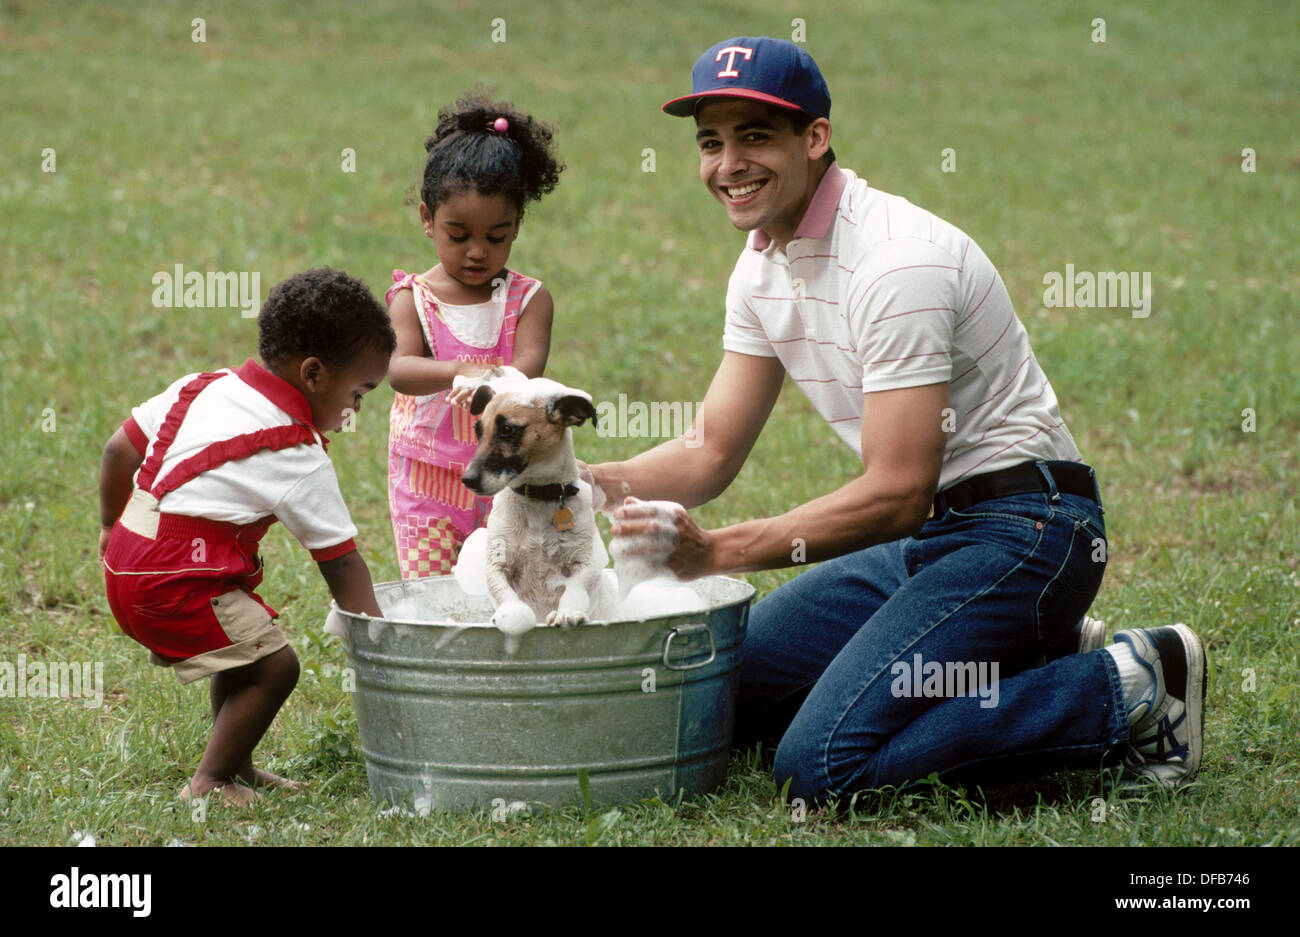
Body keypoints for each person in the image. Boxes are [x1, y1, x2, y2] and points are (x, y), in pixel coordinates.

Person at [589, 37, 1205, 801]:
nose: (728, 164)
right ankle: (1016, 654)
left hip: (1028, 528)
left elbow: (896, 491)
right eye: (710, 142)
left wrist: (718, 551)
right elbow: (711, 447)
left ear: (815, 138)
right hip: (931, 541)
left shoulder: (895, 263)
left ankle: (1129, 682)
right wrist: (574, 481)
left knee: (820, 766)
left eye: (755, 136)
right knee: (723, 698)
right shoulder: (761, 264)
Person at [99, 267, 394, 806]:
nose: (356, 410)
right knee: (275, 666)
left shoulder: (204, 385)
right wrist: (382, 640)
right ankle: (209, 782)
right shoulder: (295, 453)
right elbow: (342, 564)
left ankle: (236, 763)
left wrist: (107, 527)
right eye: (358, 393)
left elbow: (119, 451)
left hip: (127, 556)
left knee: (244, 645)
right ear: (313, 374)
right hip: (170, 578)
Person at [386, 92, 564, 578]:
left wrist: (494, 377)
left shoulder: (528, 300)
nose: (477, 253)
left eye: (496, 236)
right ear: (427, 220)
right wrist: (461, 370)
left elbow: (527, 371)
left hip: (508, 476)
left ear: (517, 226)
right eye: (458, 235)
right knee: (435, 591)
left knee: (511, 580)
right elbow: (399, 370)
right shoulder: (413, 298)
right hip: (426, 482)